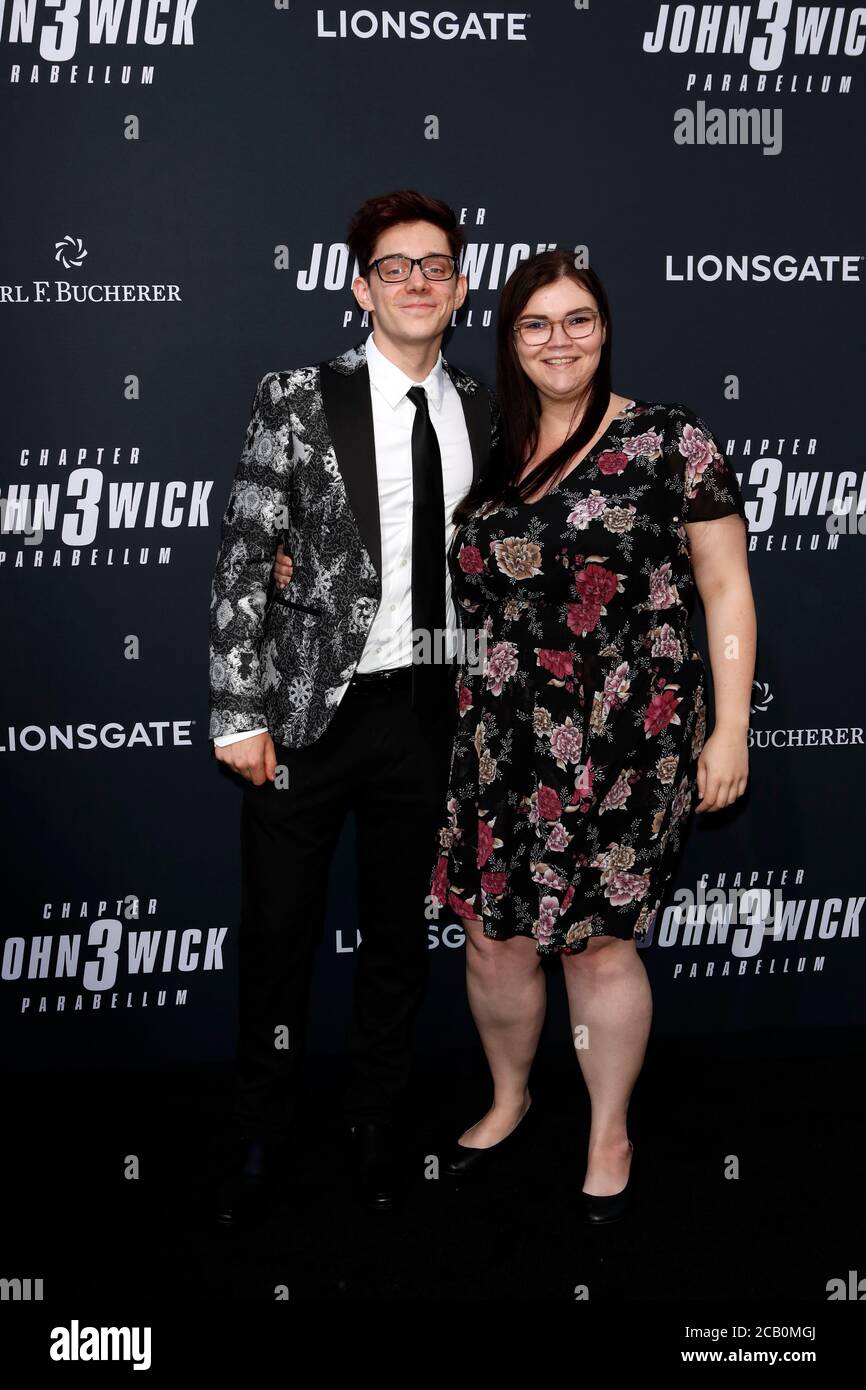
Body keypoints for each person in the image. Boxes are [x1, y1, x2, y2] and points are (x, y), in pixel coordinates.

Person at [426, 250, 757, 1223]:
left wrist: (729, 728)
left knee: (594, 947)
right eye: (535, 324)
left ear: (603, 329)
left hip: (624, 739)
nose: (556, 340)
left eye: (576, 320)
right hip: (496, 736)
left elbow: (724, 586)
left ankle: (606, 1127)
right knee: (492, 938)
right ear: (509, 339)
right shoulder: (491, 442)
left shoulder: (668, 441)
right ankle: (508, 1096)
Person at [208, 189, 499, 1219]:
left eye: (434, 265)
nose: (414, 281)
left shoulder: (481, 404)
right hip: (304, 714)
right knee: (280, 935)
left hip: (432, 711)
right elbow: (247, 555)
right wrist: (237, 712)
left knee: (394, 938)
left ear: (460, 287)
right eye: (393, 265)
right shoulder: (295, 396)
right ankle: (259, 1123)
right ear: (357, 286)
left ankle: (378, 1120)